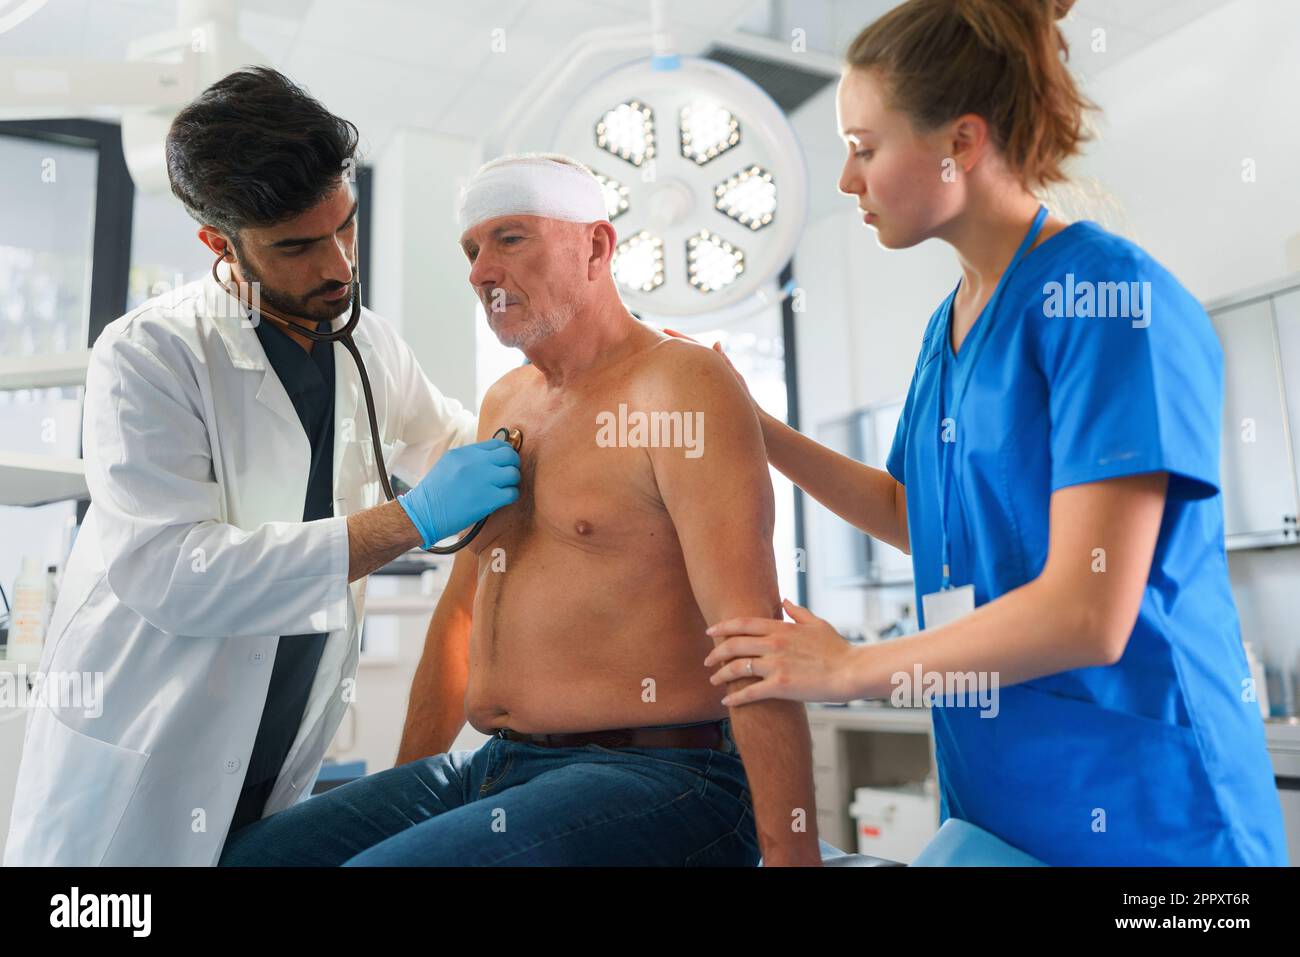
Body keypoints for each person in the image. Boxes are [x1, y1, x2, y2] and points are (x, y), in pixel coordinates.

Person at [697, 0, 1288, 866]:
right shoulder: (951, 326)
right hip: (999, 810)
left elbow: (1090, 612)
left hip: (1151, 823)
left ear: (961, 143)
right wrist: (758, 429)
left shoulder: (1109, 304)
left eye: (864, 148)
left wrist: (847, 665)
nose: (847, 181)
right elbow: (915, 509)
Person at [217, 154, 822, 867]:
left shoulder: (680, 385)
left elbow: (754, 645)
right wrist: (406, 791)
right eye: (472, 250)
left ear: (596, 246)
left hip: (665, 775)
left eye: (510, 238)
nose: (479, 270)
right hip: (496, 766)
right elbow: (461, 618)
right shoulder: (507, 402)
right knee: (247, 860)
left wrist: (794, 857)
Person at [3, 68, 519, 866]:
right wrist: (409, 521)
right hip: (142, 768)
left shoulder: (369, 343)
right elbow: (171, 571)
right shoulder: (150, 355)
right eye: (298, 247)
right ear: (220, 243)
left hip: (268, 764)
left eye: (346, 227)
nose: (340, 267)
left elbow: (450, 437)